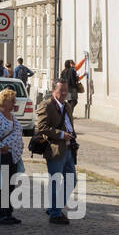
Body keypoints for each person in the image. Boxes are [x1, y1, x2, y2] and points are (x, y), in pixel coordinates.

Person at [35, 78, 79, 224]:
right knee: (55, 180)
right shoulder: (46, 105)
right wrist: (61, 134)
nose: (64, 93)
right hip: (54, 149)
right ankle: (55, 214)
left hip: (68, 149)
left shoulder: (66, 106)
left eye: (66, 90)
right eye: (61, 91)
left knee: (71, 180)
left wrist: (71, 136)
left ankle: (55, 207)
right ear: (54, 90)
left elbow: (69, 124)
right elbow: (42, 127)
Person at [0, 87, 25, 226]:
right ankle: (1, 215)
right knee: (3, 186)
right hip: (4, 155)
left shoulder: (12, 116)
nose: (14, 103)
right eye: (12, 100)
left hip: (13, 156)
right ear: (4, 101)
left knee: (11, 185)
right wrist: (2, 146)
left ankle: (8, 213)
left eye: (14, 100)